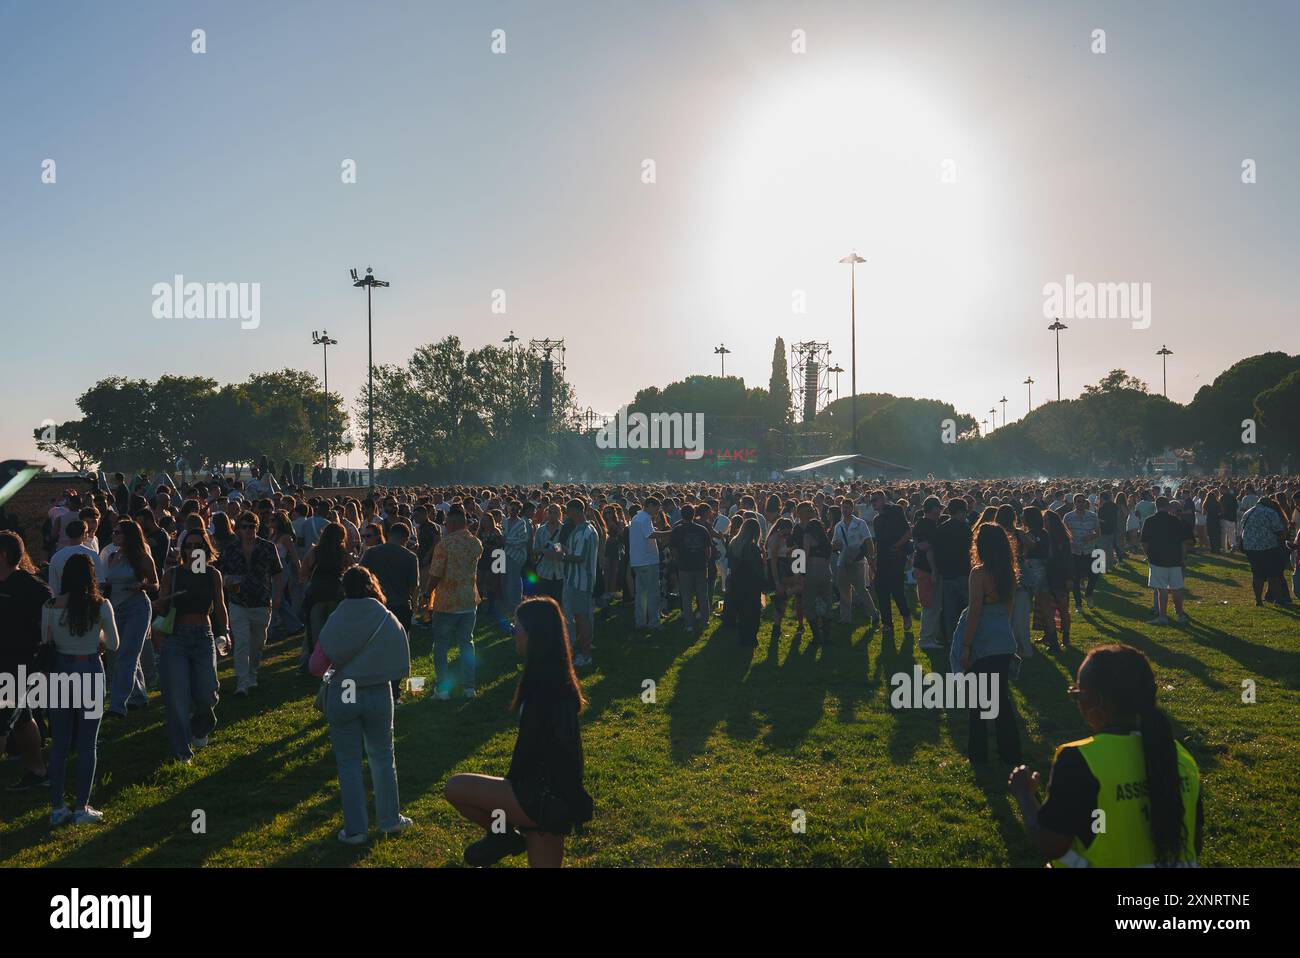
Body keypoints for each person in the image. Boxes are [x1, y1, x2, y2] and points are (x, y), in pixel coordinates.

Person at [1008, 644, 1201, 867]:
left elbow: (1051, 844)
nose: (1077, 703)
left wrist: (1023, 793)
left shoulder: (1080, 759)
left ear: (1098, 701)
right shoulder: (1181, 757)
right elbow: (1193, 844)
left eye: (1078, 695)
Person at [444, 595, 593, 867]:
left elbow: (547, 748)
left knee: (455, 787)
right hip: (552, 798)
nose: (513, 634)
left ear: (535, 634)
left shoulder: (544, 688)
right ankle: (502, 836)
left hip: (538, 796)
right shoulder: (555, 678)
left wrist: (512, 794)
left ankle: (502, 837)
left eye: (517, 628)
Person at [310, 567, 412, 844]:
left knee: (349, 763)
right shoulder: (385, 617)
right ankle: (390, 819)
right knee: (383, 757)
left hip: (345, 692)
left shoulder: (337, 618)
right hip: (379, 691)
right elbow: (402, 662)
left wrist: (336, 673)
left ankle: (355, 830)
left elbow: (316, 665)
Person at [41, 554, 117, 823]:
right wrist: (95, 637)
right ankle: (82, 805)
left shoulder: (50, 605)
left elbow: (45, 640)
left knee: (59, 743)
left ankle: (57, 806)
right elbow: (114, 644)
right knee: (87, 744)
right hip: (89, 669)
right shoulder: (101, 605)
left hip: (60, 670)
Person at [951, 522, 1022, 768]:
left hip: (983, 642)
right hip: (1003, 640)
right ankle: (1010, 752)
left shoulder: (979, 574)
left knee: (978, 702)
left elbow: (975, 612)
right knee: (1000, 700)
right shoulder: (1010, 573)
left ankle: (978, 754)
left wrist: (966, 645)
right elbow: (1008, 611)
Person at [153, 528, 228, 762]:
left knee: (207, 691)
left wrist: (224, 632)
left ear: (206, 548)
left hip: (203, 635)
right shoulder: (172, 574)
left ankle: (203, 724)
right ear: (182, 549)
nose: (194, 549)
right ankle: (182, 752)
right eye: (189, 545)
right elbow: (159, 609)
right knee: (177, 698)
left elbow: (220, 605)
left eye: (198, 545)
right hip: (176, 637)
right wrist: (165, 601)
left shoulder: (212, 574)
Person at [0, 531, 53, 789]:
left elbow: (50, 629)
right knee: (22, 720)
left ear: (3, 555)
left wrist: (43, 665)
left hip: (20, 664)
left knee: (2, 721)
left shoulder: (33, 588)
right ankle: (38, 771)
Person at [216, 511, 283, 696]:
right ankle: (242, 682)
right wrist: (227, 581)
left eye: (251, 526)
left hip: (261, 601)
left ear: (257, 527)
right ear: (238, 529)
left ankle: (252, 673)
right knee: (242, 643)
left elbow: (277, 573)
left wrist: (277, 596)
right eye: (244, 527)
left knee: (258, 643)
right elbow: (219, 573)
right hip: (238, 602)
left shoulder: (268, 547)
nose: (248, 530)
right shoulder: (230, 549)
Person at [100, 518, 159, 717]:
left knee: (128, 655)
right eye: (114, 532)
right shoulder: (112, 556)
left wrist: (142, 585)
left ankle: (117, 705)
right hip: (116, 609)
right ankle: (139, 696)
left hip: (136, 608)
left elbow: (155, 584)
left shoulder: (142, 557)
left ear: (128, 536)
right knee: (121, 655)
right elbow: (108, 581)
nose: (113, 535)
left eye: (118, 532)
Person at [427, 504, 483, 699]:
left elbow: (435, 574)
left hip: (447, 601)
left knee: (441, 646)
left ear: (453, 522)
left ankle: (442, 688)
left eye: (446, 523)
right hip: (468, 600)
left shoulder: (445, 544)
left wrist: (426, 594)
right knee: (466, 644)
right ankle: (469, 687)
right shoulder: (476, 543)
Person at [557, 498, 599, 666]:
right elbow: (574, 550)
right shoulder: (582, 529)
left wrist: (562, 557)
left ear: (574, 511)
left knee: (582, 618)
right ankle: (582, 652)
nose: (567, 515)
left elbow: (579, 557)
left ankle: (585, 655)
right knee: (581, 616)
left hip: (580, 580)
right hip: (577, 579)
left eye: (568, 511)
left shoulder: (584, 531)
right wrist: (563, 551)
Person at [1140, 496, 1191, 625]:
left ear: (1156, 506)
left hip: (1157, 559)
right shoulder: (1175, 520)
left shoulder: (1149, 520)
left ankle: (1163, 616)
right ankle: (1180, 615)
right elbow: (1182, 542)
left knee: (1161, 589)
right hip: (1174, 558)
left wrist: (1148, 555)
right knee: (1177, 588)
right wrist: (1183, 558)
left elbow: (1144, 542)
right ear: (1167, 506)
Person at [832, 497, 877, 627]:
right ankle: (845, 617)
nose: (844, 510)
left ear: (852, 509)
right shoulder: (838, 526)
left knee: (861, 589)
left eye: (847, 507)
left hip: (857, 559)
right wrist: (836, 545)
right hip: (843, 560)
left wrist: (871, 556)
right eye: (843, 507)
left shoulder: (860, 523)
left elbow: (868, 541)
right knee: (844, 590)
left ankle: (873, 613)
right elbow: (834, 543)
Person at [669, 503, 713, 634]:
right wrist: (705, 561)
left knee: (686, 596)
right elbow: (708, 550)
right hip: (700, 566)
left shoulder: (677, 530)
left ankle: (688, 624)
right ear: (694, 515)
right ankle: (705, 621)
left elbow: (674, 549)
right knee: (702, 595)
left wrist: (678, 560)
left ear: (682, 515)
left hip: (684, 567)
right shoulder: (702, 529)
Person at [1241, 496, 1291, 606]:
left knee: (1257, 575)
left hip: (1251, 548)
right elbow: (1279, 530)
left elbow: (1242, 530)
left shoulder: (1248, 513)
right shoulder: (1270, 512)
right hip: (1268, 547)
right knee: (1273, 575)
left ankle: (1258, 600)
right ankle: (1279, 599)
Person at [627, 497, 665, 633]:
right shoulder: (645, 518)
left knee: (641, 593)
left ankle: (640, 621)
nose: (657, 511)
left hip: (637, 560)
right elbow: (650, 535)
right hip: (648, 560)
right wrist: (668, 533)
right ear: (649, 506)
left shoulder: (636, 518)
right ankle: (654, 623)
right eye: (656, 508)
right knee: (653, 593)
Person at [728, 518, 765, 648]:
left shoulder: (734, 543)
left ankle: (742, 637)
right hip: (751, 583)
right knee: (753, 612)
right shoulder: (752, 548)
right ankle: (751, 638)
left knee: (741, 611)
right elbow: (757, 568)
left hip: (736, 581)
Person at [1063, 494, 1101, 611]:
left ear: (1085, 502)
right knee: (1076, 578)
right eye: (1078, 501)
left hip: (1090, 549)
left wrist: (1090, 536)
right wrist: (1070, 542)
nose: (1080, 503)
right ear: (1074, 503)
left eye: (1082, 501)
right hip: (1075, 551)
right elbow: (1064, 534)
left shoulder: (1092, 516)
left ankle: (1088, 594)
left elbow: (1098, 532)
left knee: (1095, 575)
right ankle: (1078, 604)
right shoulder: (1068, 517)